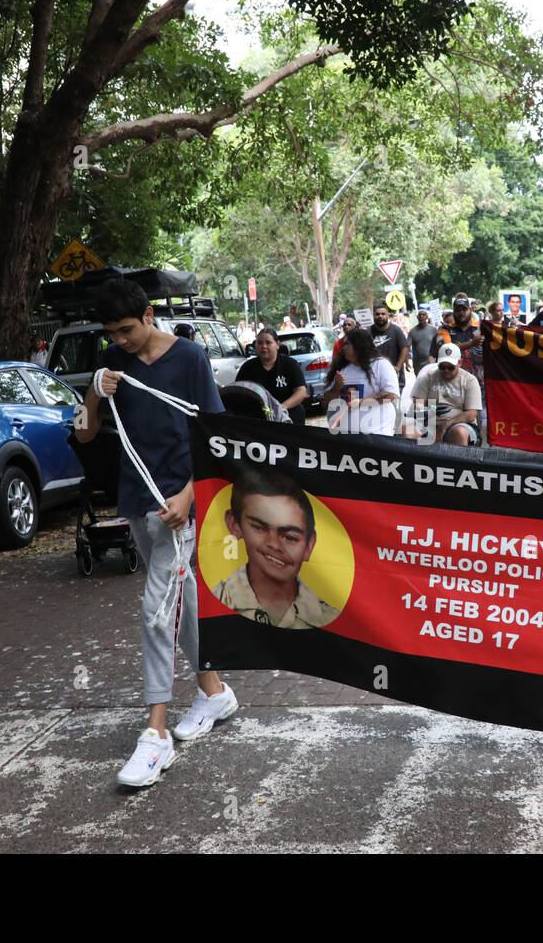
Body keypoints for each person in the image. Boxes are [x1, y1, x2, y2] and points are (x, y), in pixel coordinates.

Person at [73, 278, 233, 788]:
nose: (120, 341)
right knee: (177, 599)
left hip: (182, 502)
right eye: (111, 333)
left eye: (126, 330)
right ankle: (213, 691)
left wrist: (190, 495)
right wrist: (94, 396)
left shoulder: (188, 358)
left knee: (156, 606)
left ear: (148, 315)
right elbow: (83, 432)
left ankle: (155, 735)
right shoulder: (110, 363)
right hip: (138, 501)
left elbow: (216, 435)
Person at [213, 467, 339, 629]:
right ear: (234, 524)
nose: (273, 544)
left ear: (309, 545)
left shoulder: (331, 621)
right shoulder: (210, 602)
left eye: (290, 537)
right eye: (259, 528)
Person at [324, 327, 399, 435]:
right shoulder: (341, 368)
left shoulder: (380, 364)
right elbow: (326, 402)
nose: (343, 348)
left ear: (358, 346)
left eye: (347, 344)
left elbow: (391, 395)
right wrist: (336, 387)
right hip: (347, 436)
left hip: (377, 434)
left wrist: (361, 402)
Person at [406, 342, 483, 446]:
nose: (446, 370)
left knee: (459, 433)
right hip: (429, 421)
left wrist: (447, 424)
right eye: (442, 367)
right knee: (407, 431)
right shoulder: (428, 376)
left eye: (450, 367)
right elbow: (417, 403)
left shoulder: (469, 380)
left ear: (459, 363)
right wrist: (427, 411)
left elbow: (471, 414)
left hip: (459, 424)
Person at [237, 328, 309, 426]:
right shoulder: (247, 367)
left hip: (288, 414)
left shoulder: (290, 364)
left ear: (277, 345)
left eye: (268, 342)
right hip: (257, 419)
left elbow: (301, 392)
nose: (264, 346)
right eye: (260, 343)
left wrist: (281, 408)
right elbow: (237, 392)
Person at [431, 293, 481, 365]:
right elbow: (446, 349)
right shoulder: (445, 329)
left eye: (464, 309)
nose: (461, 312)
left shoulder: (481, 327)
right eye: (458, 310)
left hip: (478, 373)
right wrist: (472, 343)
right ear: (453, 311)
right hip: (453, 373)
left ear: (470, 310)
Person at [369, 302, 409, 389]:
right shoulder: (368, 332)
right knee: (380, 401)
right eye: (377, 314)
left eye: (383, 314)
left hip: (395, 377)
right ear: (373, 316)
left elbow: (404, 348)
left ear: (388, 315)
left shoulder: (396, 330)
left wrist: (398, 366)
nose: (380, 316)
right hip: (375, 378)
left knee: (390, 401)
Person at [407, 308, 439, 372]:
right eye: (420, 315)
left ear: (427, 317)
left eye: (423, 314)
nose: (421, 316)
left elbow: (438, 345)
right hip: (418, 364)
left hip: (432, 363)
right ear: (417, 317)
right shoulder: (412, 332)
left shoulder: (434, 330)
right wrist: (406, 361)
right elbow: (407, 347)